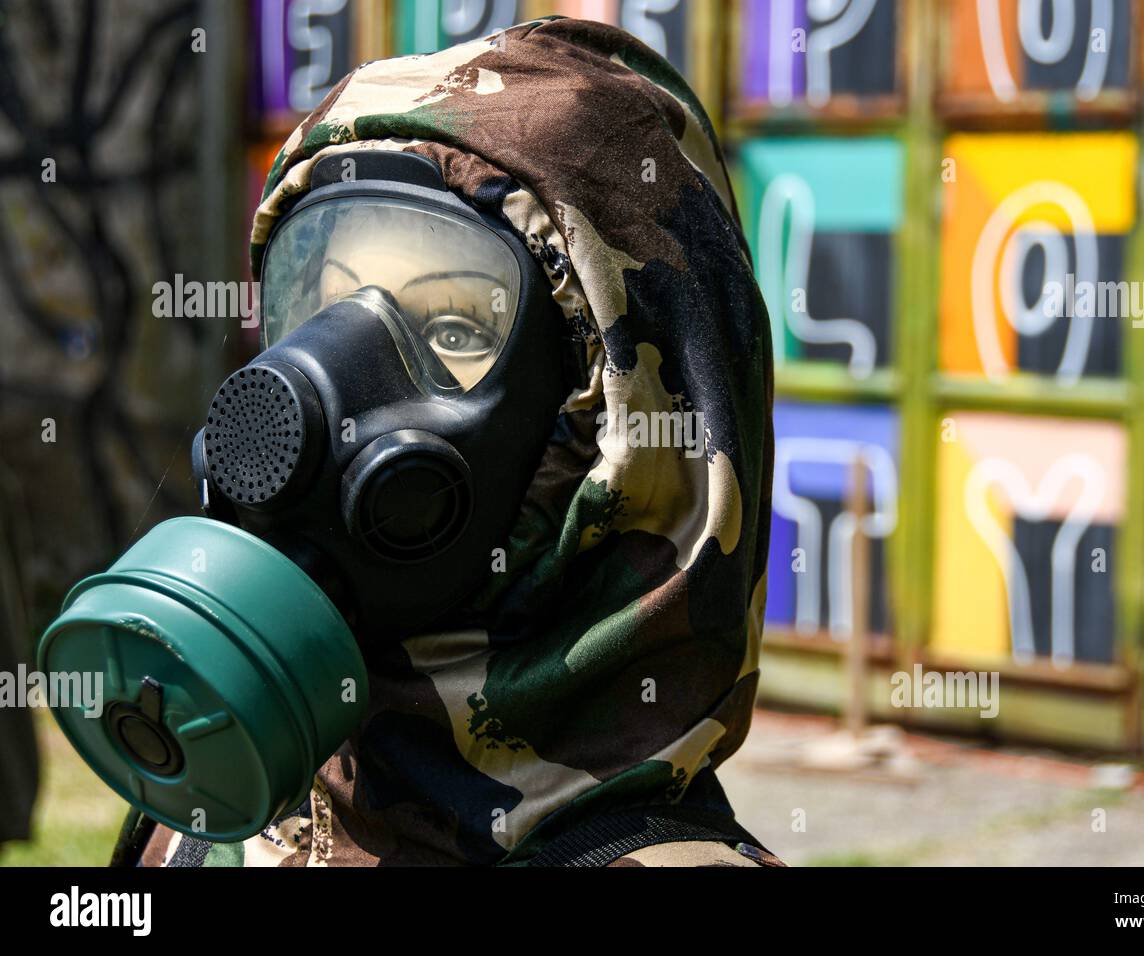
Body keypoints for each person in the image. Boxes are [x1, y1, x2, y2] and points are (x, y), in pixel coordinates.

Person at [119, 15, 777, 867]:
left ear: (625, 434)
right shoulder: (211, 828)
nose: (308, 399)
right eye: (324, 309)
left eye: (455, 330)